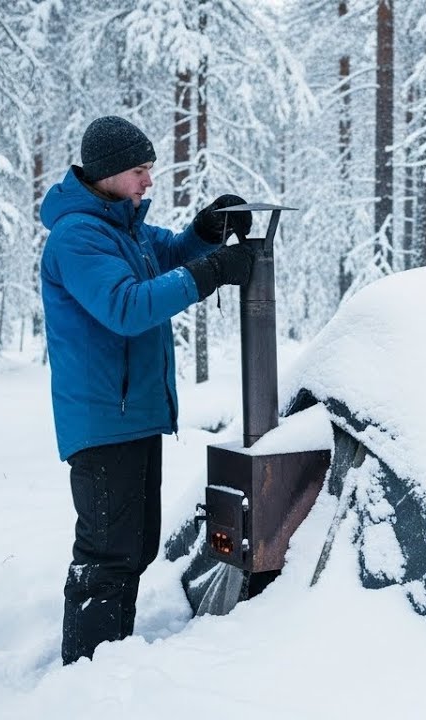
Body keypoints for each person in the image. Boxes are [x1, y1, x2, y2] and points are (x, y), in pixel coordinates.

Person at [39, 115, 255, 665]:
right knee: (107, 554)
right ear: (108, 174)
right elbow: (126, 306)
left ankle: (111, 662)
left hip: (133, 414)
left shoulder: (123, 229)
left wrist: (207, 229)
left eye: (150, 170)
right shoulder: (79, 236)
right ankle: (86, 673)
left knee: (133, 548)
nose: (148, 182)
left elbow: (172, 250)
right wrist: (208, 275)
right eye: (140, 171)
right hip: (102, 419)